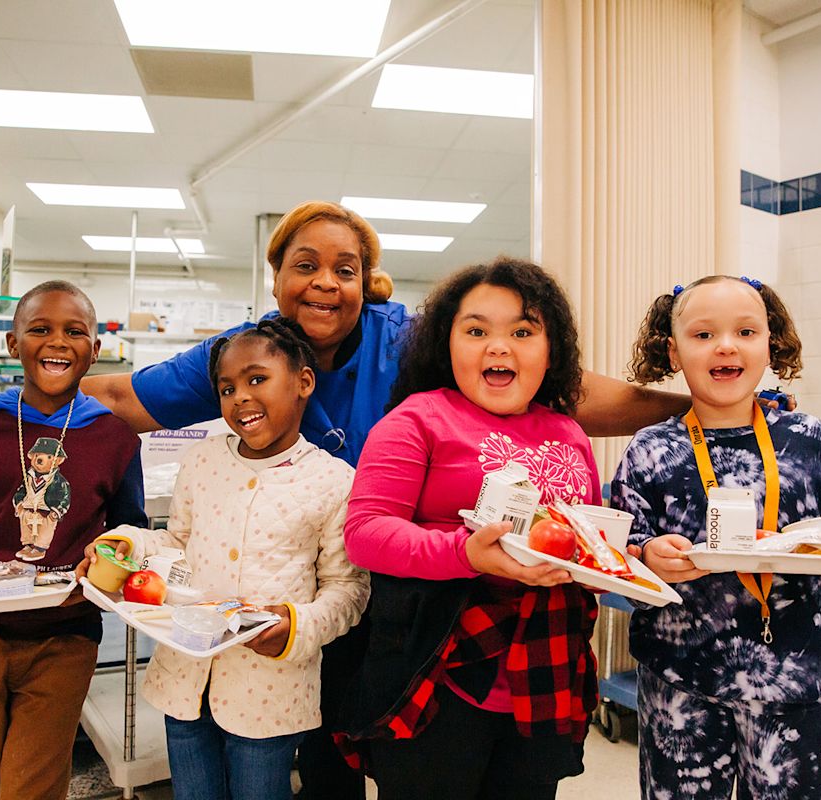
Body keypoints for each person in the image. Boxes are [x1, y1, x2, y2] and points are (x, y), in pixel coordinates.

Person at [80, 200, 693, 798]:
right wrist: (38, 391)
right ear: (275, 279)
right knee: (319, 761)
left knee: (362, 745)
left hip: (400, 607)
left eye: (345, 270)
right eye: (304, 265)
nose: (324, 284)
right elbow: (124, 400)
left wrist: (697, 409)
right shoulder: (246, 354)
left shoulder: (405, 335)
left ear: (367, 283)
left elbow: (554, 383)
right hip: (312, 588)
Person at [609, 275, 821, 800]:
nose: (725, 345)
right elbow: (621, 555)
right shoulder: (650, 449)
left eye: (746, 331)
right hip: (681, 682)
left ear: (772, 344)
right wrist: (647, 553)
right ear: (672, 352)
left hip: (800, 681)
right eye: (703, 335)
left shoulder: (811, 438)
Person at [338, 258, 601, 799]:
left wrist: (622, 561)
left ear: (550, 350)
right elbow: (365, 532)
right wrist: (466, 554)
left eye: (523, 331)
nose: (498, 347)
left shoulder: (568, 431)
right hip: (438, 670)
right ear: (446, 343)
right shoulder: (418, 419)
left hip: (545, 673)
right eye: (476, 330)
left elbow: (587, 538)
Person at [81, 318, 369, 800]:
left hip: (270, 691)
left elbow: (349, 590)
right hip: (185, 681)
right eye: (227, 388)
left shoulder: (335, 480)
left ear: (303, 382)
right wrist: (130, 542)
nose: (240, 398)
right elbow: (178, 544)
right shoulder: (204, 460)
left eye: (257, 380)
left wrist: (297, 627)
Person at [0, 280, 146, 800]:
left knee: (29, 787)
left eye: (74, 331)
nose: (57, 342)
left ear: (94, 350)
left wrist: (112, 557)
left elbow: (129, 532)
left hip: (65, 636)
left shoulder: (116, 438)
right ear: (13, 344)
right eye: (40, 329)